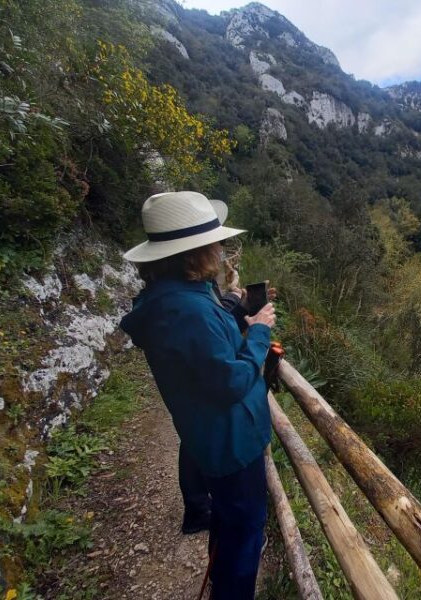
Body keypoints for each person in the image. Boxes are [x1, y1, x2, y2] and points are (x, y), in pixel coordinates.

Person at [119, 191, 275, 599]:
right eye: (217, 243)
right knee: (243, 537)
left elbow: (208, 351)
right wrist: (258, 331)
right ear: (196, 252)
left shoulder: (175, 298)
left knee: (229, 526)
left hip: (213, 439)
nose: (222, 251)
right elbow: (229, 381)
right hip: (231, 446)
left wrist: (238, 312)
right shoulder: (188, 310)